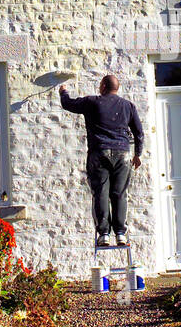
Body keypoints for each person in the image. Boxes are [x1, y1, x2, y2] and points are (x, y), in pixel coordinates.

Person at [59, 73, 144, 247]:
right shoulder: (128, 106)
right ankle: (120, 233)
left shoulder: (92, 102)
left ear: (103, 87)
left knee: (101, 193)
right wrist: (138, 154)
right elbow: (139, 133)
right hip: (122, 154)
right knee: (119, 193)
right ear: (116, 88)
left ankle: (104, 234)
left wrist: (63, 92)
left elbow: (68, 104)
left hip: (99, 153)